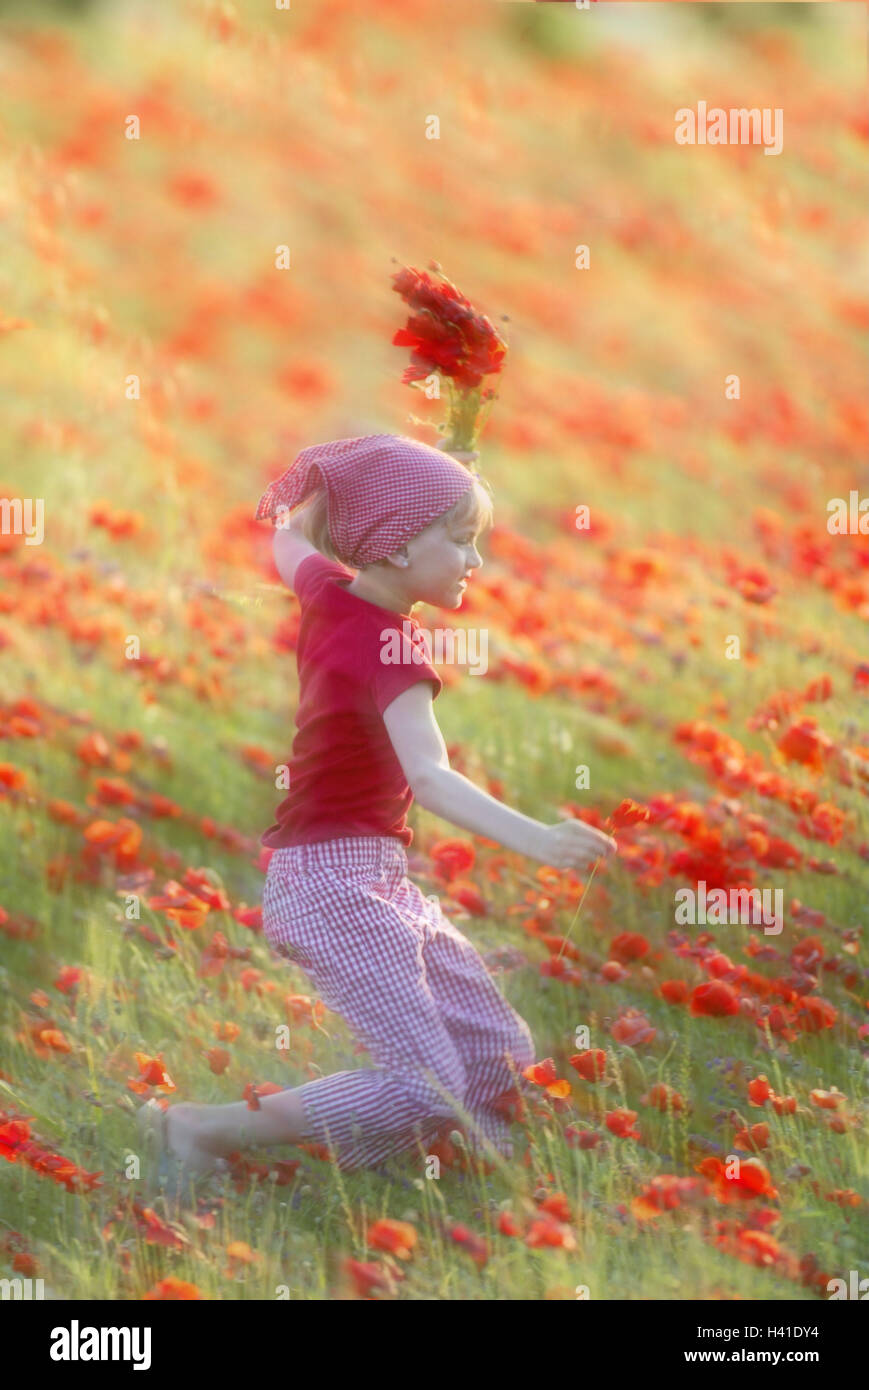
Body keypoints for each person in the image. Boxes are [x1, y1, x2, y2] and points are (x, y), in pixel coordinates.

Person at [139, 433, 617, 1198]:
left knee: (498, 1053)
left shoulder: (330, 592)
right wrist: (540, 840)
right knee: (424, 1084)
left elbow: (287, 533)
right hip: (335, 888)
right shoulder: (394, 649)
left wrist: (366, 477)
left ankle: (494, 1196)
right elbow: (428, 777)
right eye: (459, 541)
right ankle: (199, 1127)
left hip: (369, 882)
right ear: (393, 547)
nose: (475, 561)